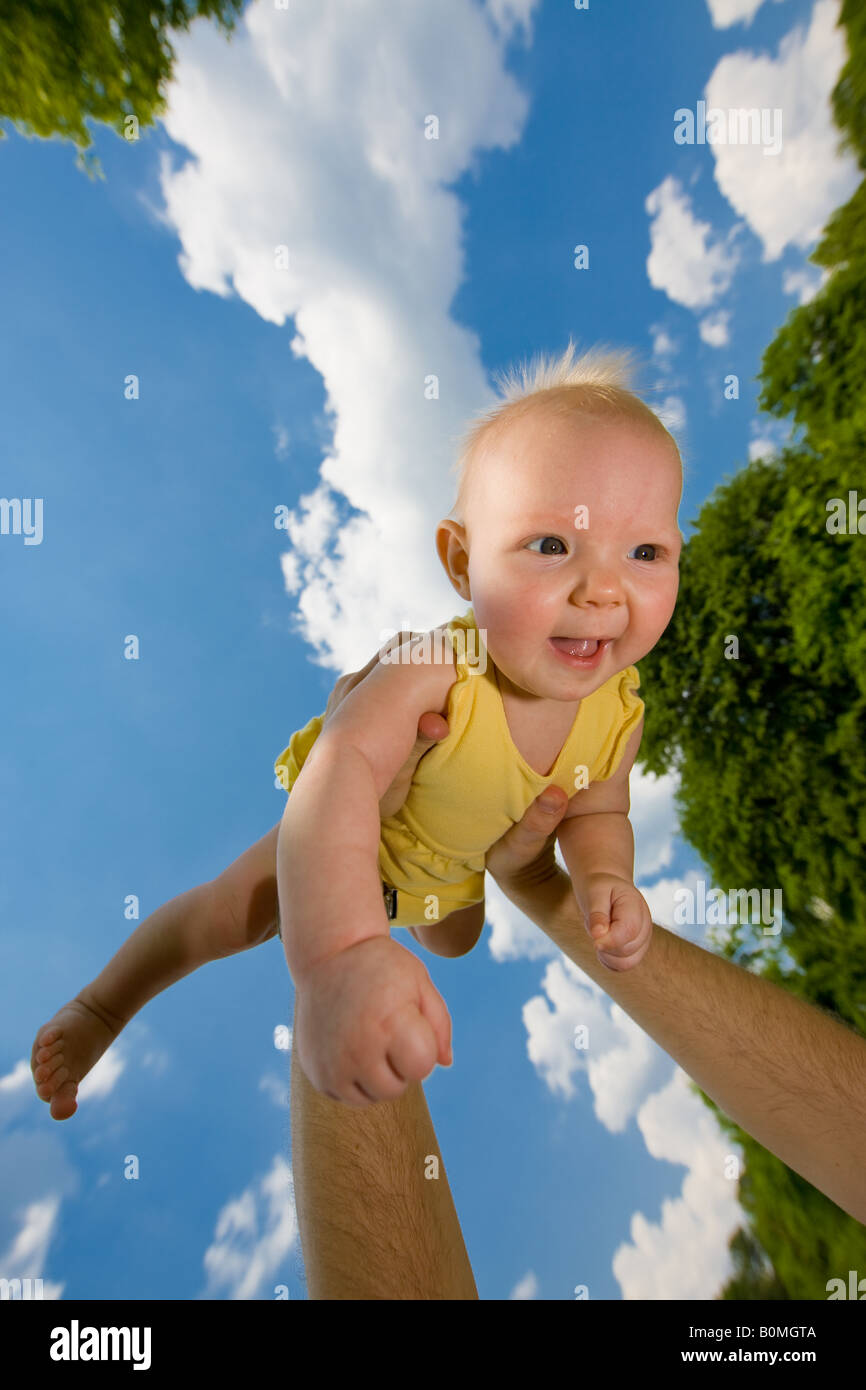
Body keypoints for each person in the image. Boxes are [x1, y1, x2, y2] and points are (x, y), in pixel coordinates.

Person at [31, 639, 866, 1300]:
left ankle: (411, 927)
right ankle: (103, 1007)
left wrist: (606, 878)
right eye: (549, 546)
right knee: (232, 911)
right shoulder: (439, 663)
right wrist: (338, 949)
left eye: (645, 553)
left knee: (457, 939)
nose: (599, 584)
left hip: (451, 875)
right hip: (353, 831)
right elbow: (346, 762)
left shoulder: (617, 715)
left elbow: (600, 811)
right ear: (468, 561)